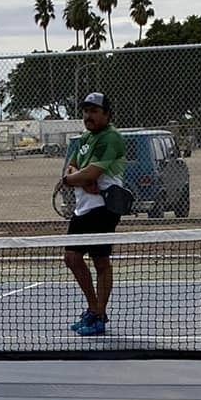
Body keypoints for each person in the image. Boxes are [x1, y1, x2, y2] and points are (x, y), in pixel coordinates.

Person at [62, 92, 127, 334]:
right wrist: (77, 177)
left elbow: (90, 173)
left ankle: (99, 316)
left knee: (101, 262)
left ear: (107, 114)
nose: (88, 115)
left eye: (94, 111)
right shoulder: (85, 138)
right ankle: (94, 308)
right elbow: (72, 167)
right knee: (71, 258)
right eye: (86, 111)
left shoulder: (111, 137)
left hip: (103, 208)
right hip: (82, 207)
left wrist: (72, 179)